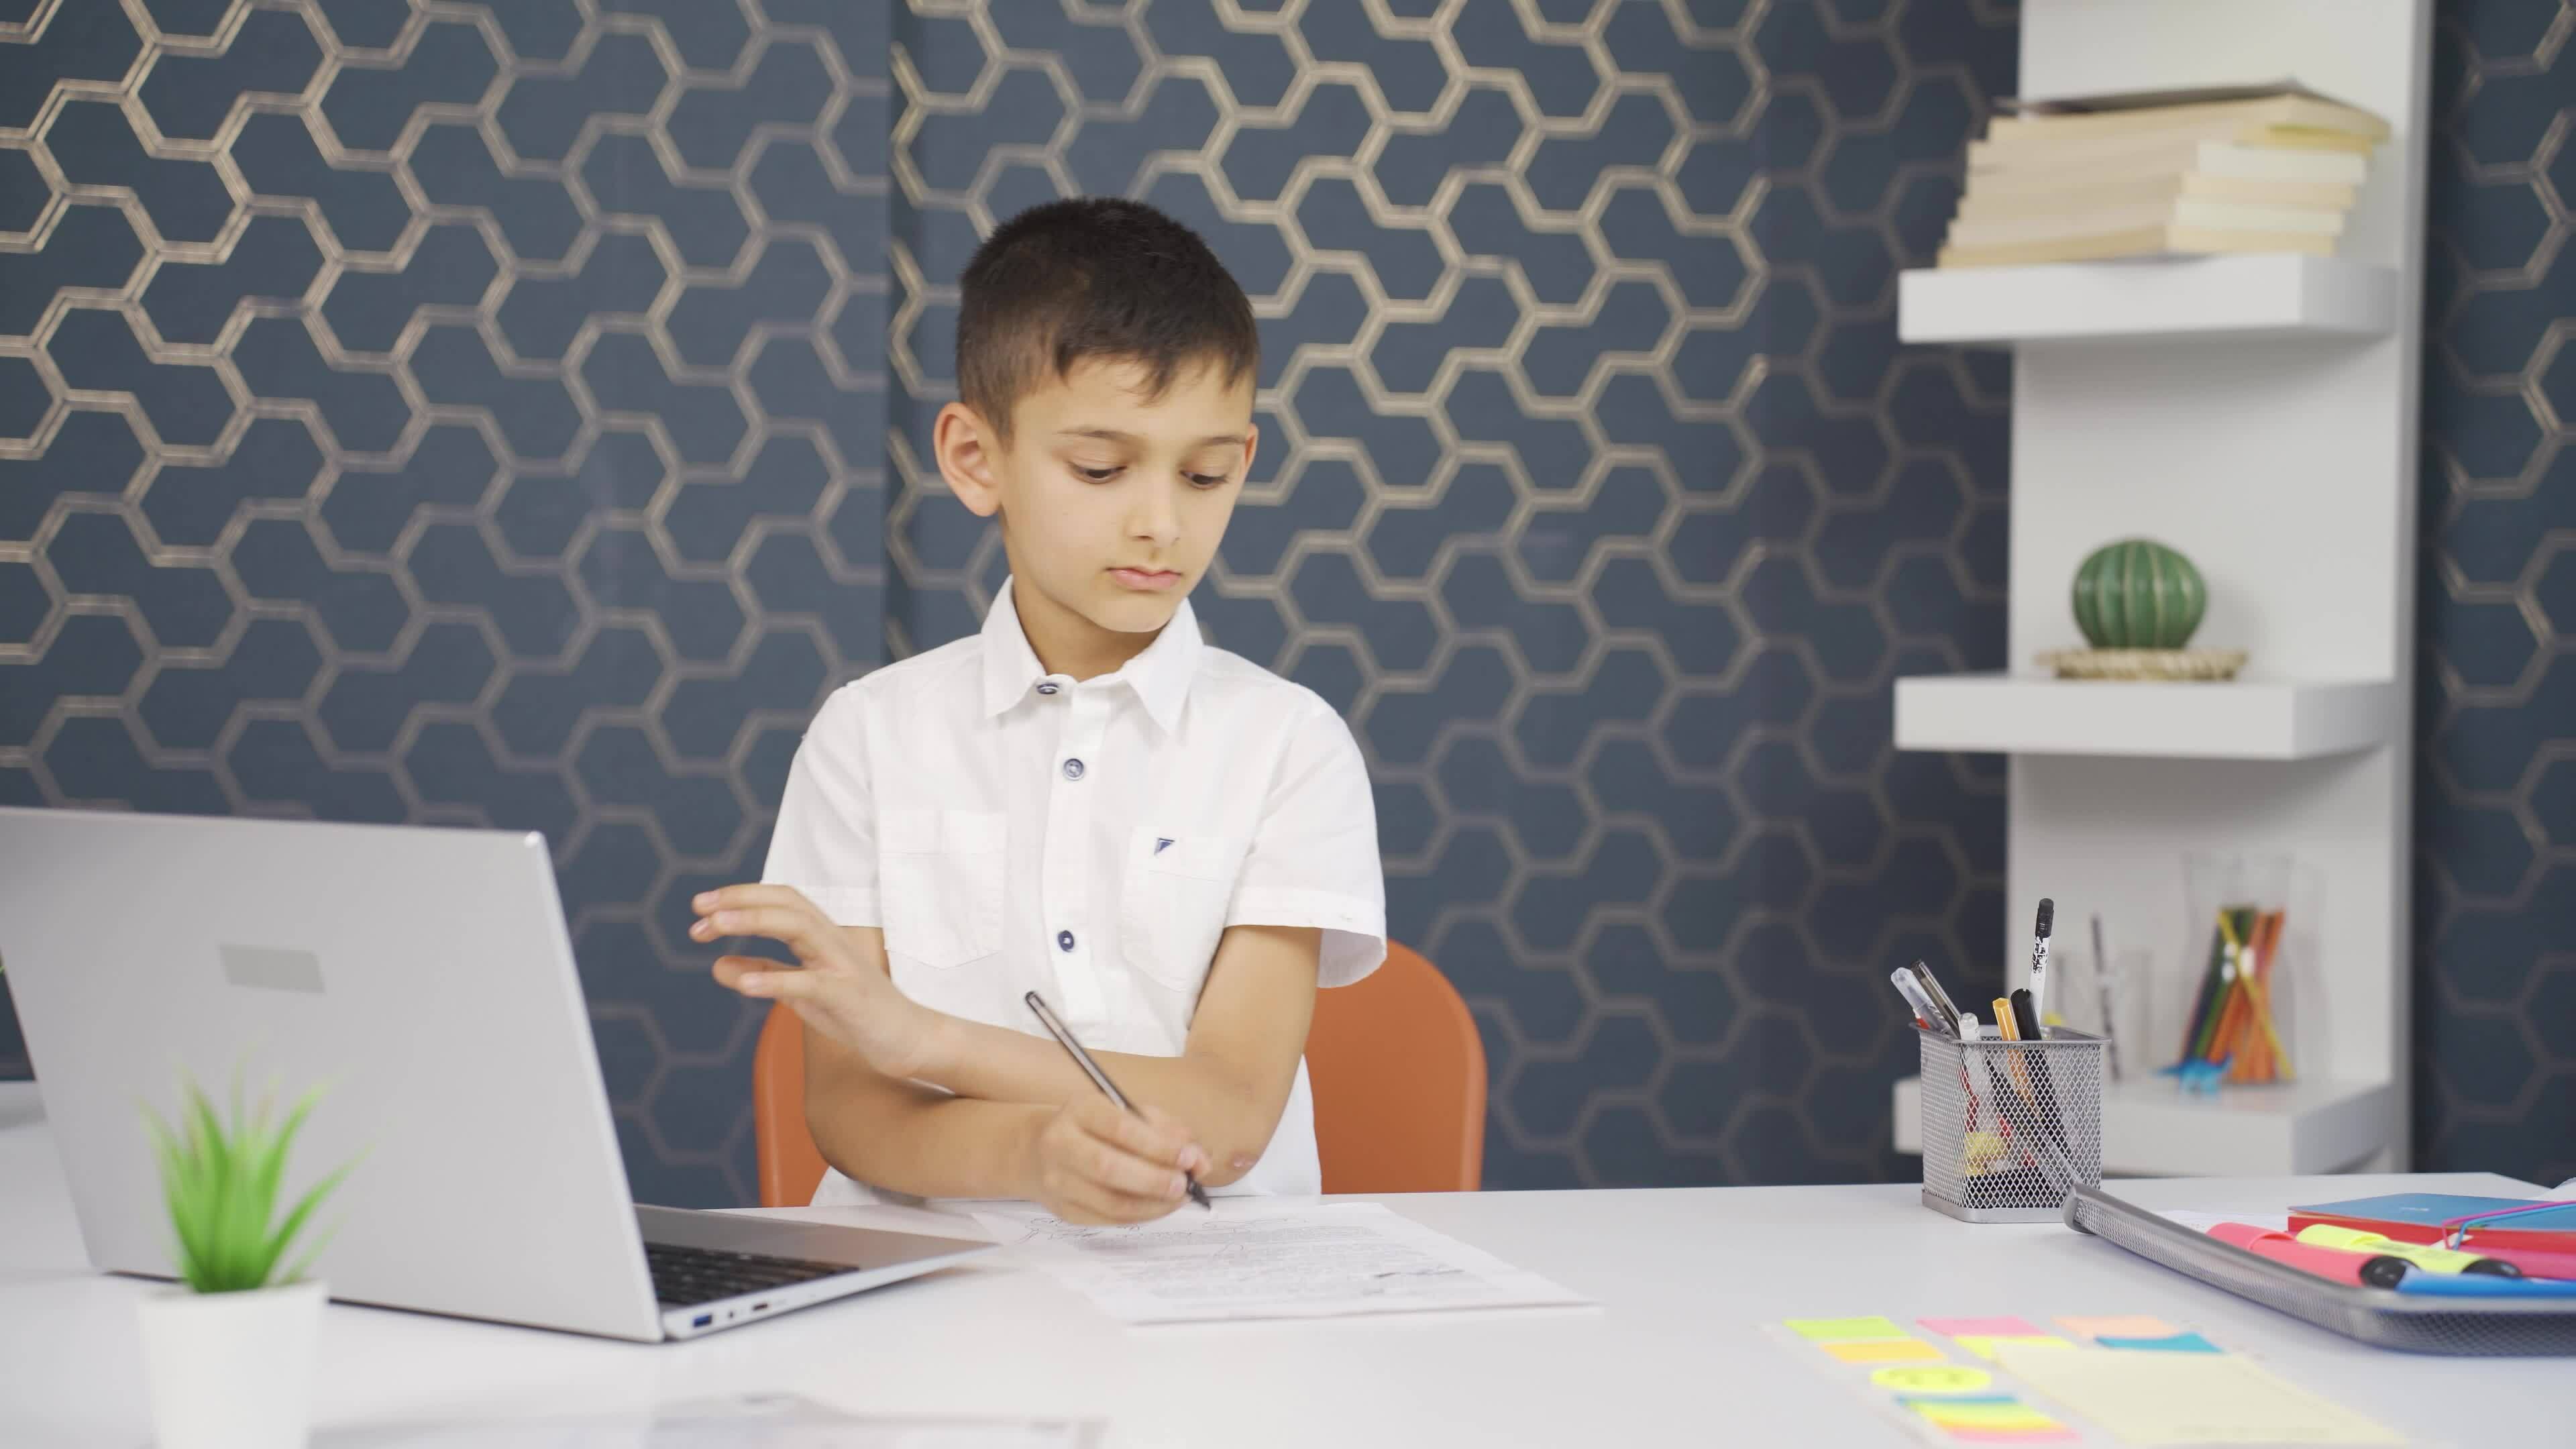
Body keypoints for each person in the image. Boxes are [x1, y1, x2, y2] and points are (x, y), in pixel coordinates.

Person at [691, 197, 1387, 1225]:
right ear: (977, 460)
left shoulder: (1289, 745)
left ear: (1242, 461)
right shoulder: (869, 735)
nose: (1160, 522)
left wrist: (927, 1042)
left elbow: (1231, 1116)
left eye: (1201, 475)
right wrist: (1032, 1153)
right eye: (1101, 470)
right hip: (930, 1293)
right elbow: (847, 1113)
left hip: (1217, 1302)